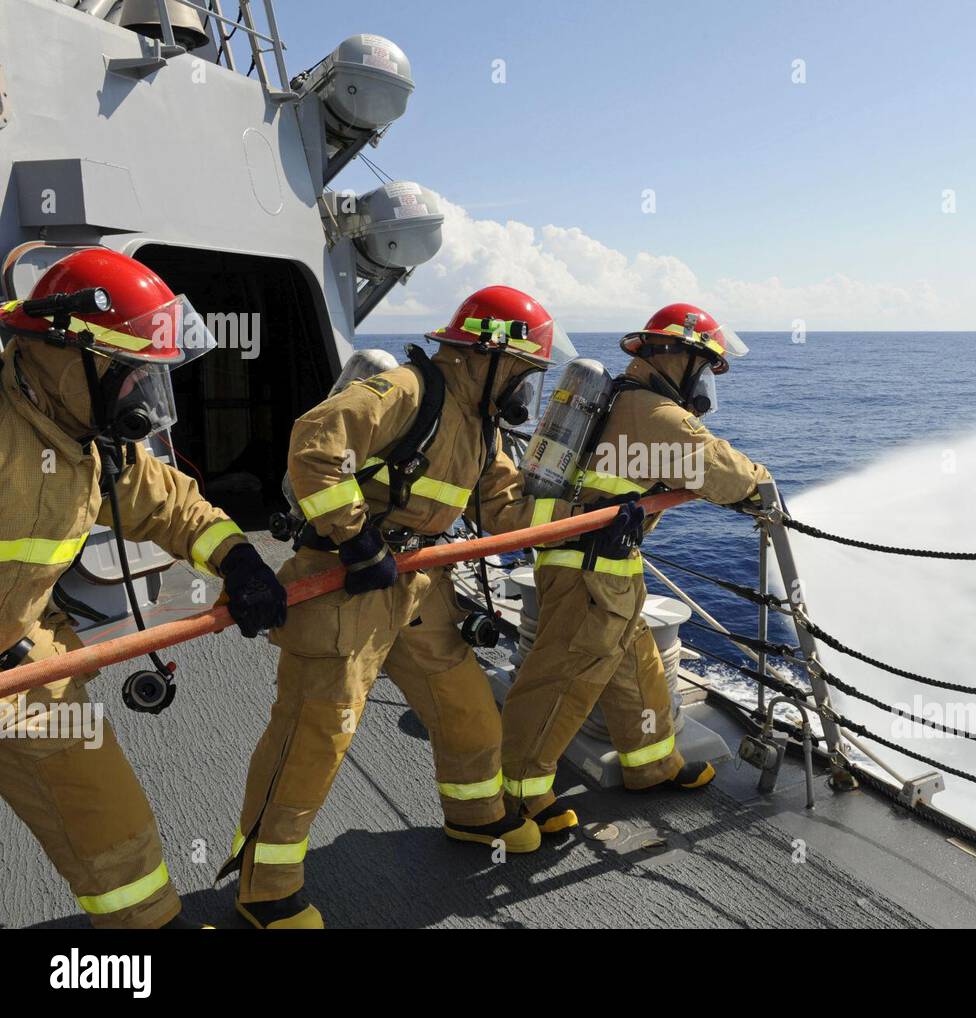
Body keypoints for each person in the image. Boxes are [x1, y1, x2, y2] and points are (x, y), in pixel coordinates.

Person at [223, 285, 600, 929]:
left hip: (420, 582)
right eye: (523, 373)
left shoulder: (482, 427)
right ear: (485, 358)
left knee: (464, 705)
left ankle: (477, 815)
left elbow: (504, 509)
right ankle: (266, 884)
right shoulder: (406, 391)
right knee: (316, 731)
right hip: (347, 581)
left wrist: (586, 516)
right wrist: (357, 536)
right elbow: (315, 443)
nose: (524, 390)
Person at [0, 248, 286, 929]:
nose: (142, 397)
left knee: (104, 806)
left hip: (22, 651)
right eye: (131, 376)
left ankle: (149, 929)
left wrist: (239, 560)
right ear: (75, 359)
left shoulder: (88, 436)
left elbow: (170, 505)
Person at [500, 303, 772, 834]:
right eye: (703, 367)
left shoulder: (622, 401)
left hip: (601, 568)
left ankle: (651, 764)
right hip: (591, 573)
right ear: (678, 358)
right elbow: (724, 471)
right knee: (560, 683)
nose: (704, 385)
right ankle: (518, 796)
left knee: (636, 670)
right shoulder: (653, 414)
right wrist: (762, 487)